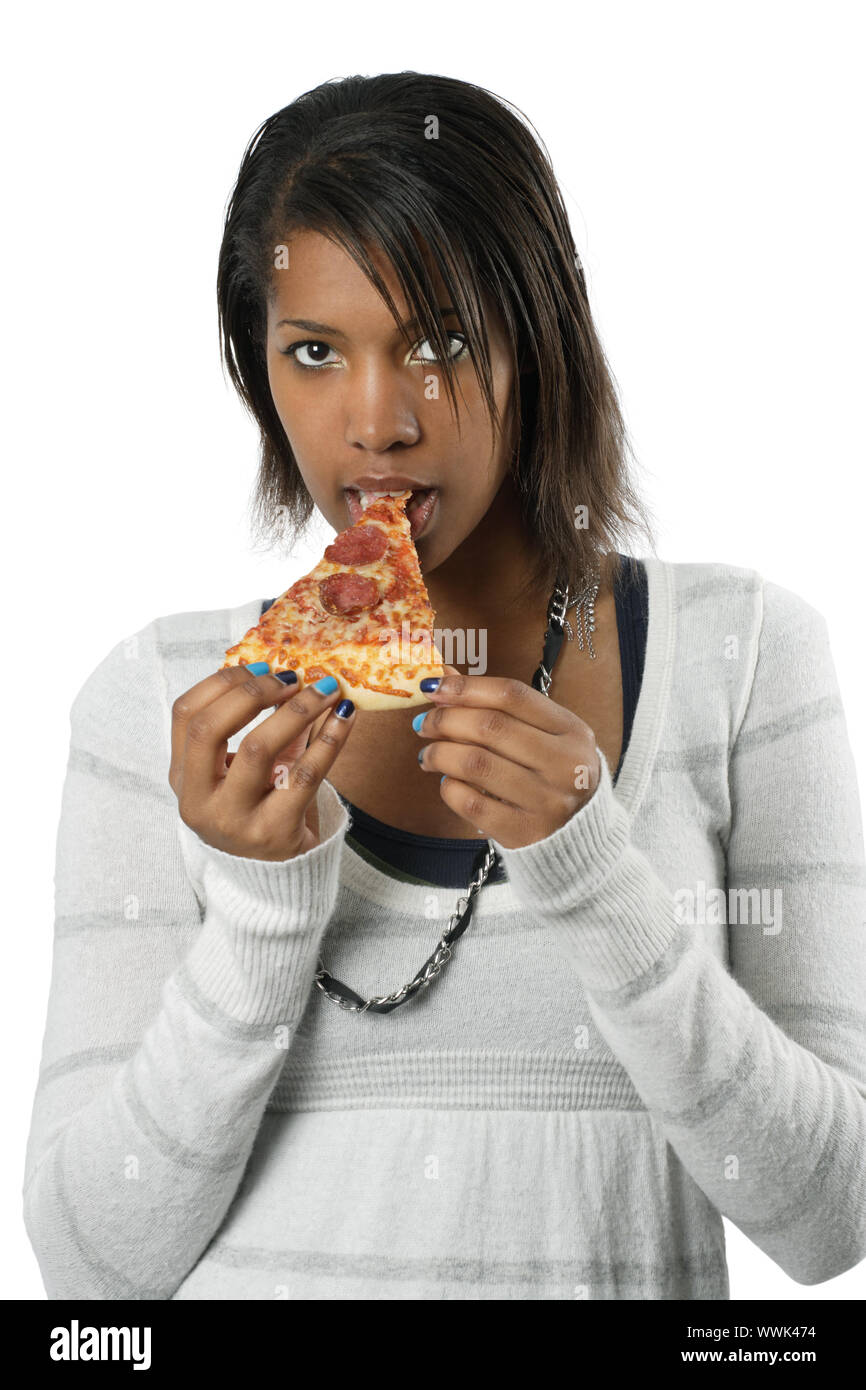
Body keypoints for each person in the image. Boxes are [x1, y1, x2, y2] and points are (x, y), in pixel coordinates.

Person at [22, 71, 866, 1300]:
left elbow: (829, 1217)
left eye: (441, 343)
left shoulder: (742, 656)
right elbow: (93, 1276)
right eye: (314, 352)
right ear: (260, 374)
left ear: (541, 339)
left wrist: (596, 872)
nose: (377, 422)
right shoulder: (150, 701)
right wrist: (259, 911)